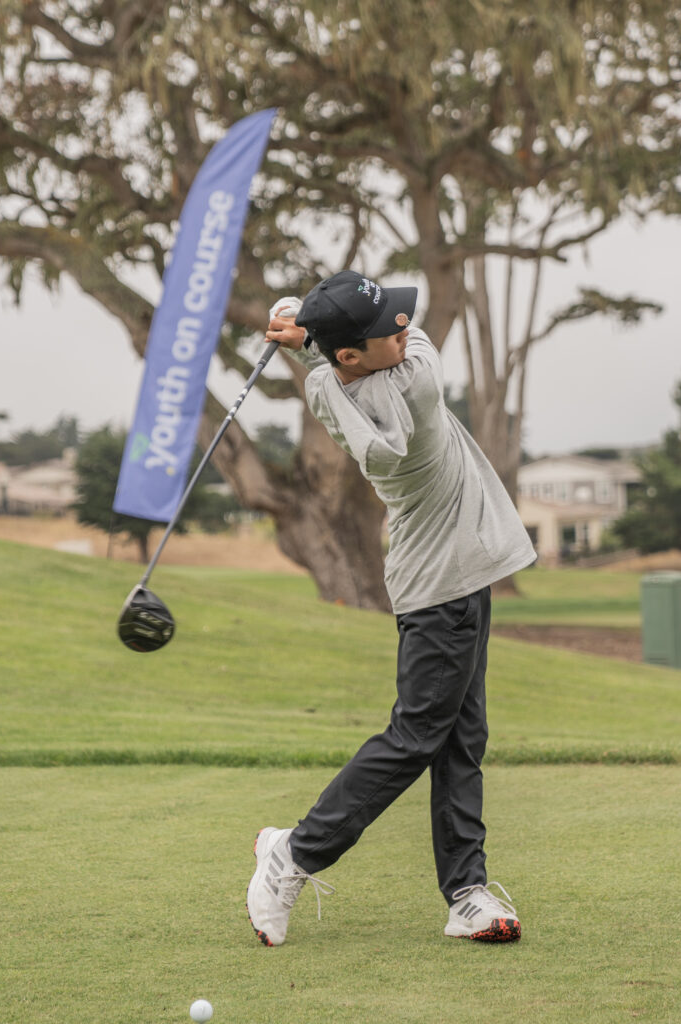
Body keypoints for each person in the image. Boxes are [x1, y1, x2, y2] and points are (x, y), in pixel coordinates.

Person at [246, 271, 537, 948]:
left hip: (450, 576)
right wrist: (306, 330)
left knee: (461, 738)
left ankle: (466, 893)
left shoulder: (329, 384)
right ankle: (293, 854)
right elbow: (400, 347)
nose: (404, 329)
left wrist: (306, 339)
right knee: (416, 739)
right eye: (389, 329)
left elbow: (334, 361)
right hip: (444, 588)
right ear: (353, 354)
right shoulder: (419, 379)